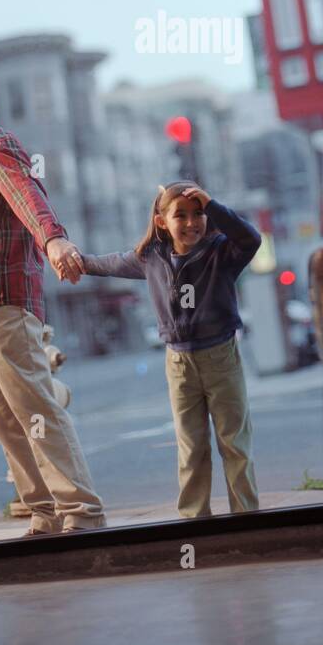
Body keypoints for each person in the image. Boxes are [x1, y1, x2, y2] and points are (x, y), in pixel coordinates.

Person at [0, 57, 105, 535]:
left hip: (4, 303)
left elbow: (29, 197)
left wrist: (54, 239)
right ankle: (45, 513)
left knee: (36, 411)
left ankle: (83, 512)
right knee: (7, 420)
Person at [75, 182, 261, 518]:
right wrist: (78, 262)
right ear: (162, 221)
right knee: (191, 448)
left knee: (234, 444)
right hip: (178, 362)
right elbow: (111, 263)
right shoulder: (151, 258)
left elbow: (251, 238)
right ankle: (194, 519)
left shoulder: (222, 251)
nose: (192, 222)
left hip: (221, 357)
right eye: (181, 216)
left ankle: (245, 517)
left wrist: (214, 204)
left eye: (198, 214)